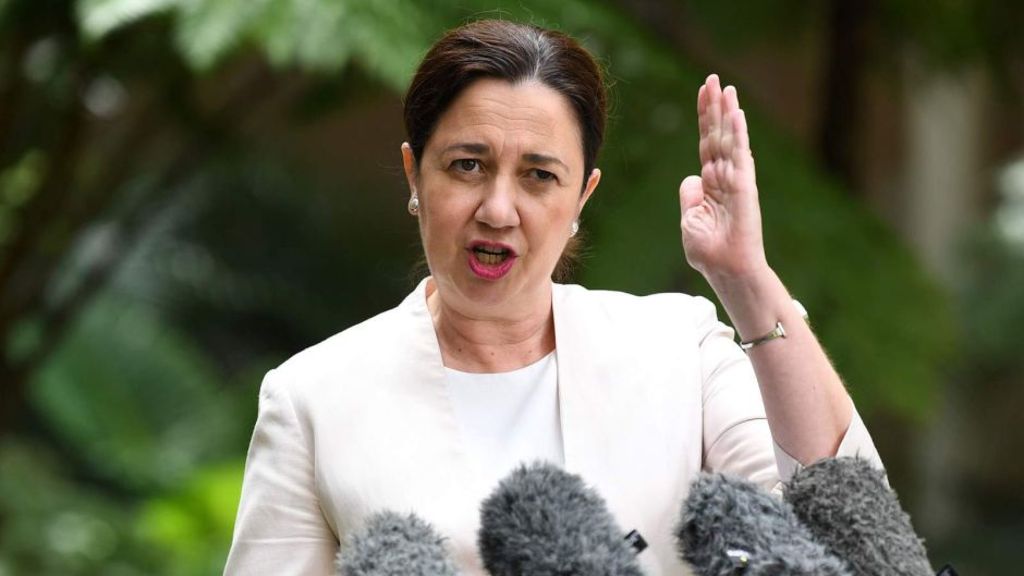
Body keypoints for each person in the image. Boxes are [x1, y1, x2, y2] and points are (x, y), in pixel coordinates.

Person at [223, 19, 883, 576]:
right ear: (413, 175)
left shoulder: (679, 349)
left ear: (581, 198)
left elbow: (847, 533)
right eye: (467, 166)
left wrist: (746, 280)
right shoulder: (312, 398)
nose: (499, 208)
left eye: (539, 176)